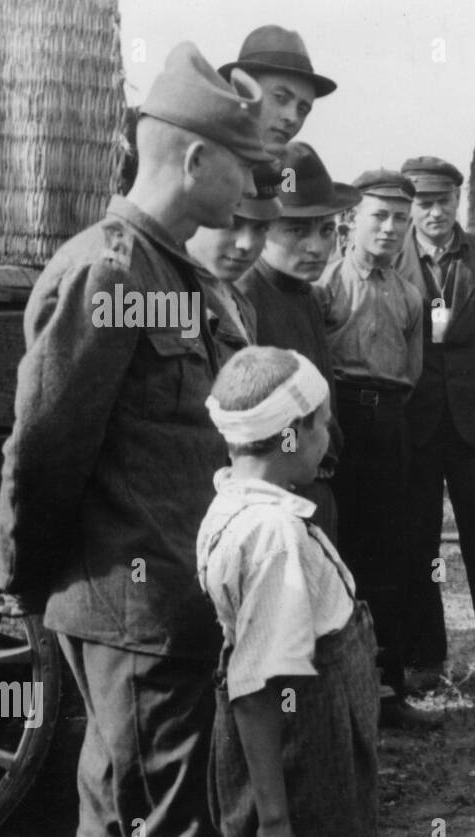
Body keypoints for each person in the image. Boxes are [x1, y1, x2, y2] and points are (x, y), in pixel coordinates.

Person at [0, 42, 272, 837]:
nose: (254, 188)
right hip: (139, 619)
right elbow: (44, 451)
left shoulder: (177, 272)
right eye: (244, 167)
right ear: (194, 159)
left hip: (165, 613)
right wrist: (28, 582)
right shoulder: (109, 270)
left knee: (117, 829)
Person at [198, 347, 381, 837]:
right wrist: (275, 823)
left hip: (315, 738)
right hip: (306, 751)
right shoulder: (273, 535)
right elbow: (257, 689)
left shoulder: (234, 501)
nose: (329, 437)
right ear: (289, 437)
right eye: (323, 424)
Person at [319, 168, 436, 727]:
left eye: (401, 220)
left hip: (390, 423)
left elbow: (411, 373)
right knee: (338, 551)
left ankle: (387, 691)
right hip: (337, 419)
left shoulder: (411, 296)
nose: (390, 230)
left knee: (391, 555)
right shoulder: (325, 286)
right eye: (379, 217)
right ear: (351, 220)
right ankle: (338, 695)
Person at [396, 155, 475, 683]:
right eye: (423, 204)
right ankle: (425, 658)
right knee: (418, 541)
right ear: (410, 208)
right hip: (416, 420)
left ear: (457, 201)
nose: (435, 213)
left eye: (443, 201)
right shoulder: (390, 257)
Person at [239, 141, 356, 539]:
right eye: (297, 230)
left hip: (315, 490)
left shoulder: (305, 295)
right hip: (275, 501)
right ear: (262, 226)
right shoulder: (245, 298)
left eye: (327, 231)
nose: (317, 246)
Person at [186, 164, 282, 362]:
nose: (246, 244)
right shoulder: (161, 293)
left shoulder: (242, 305)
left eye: (261, 228)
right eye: (232, 224)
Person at [218, 25, 336, 158]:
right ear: (240, 89)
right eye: (280, 97)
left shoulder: (289, 173)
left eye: (302, 110)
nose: (292, 118)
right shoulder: (200, 156)